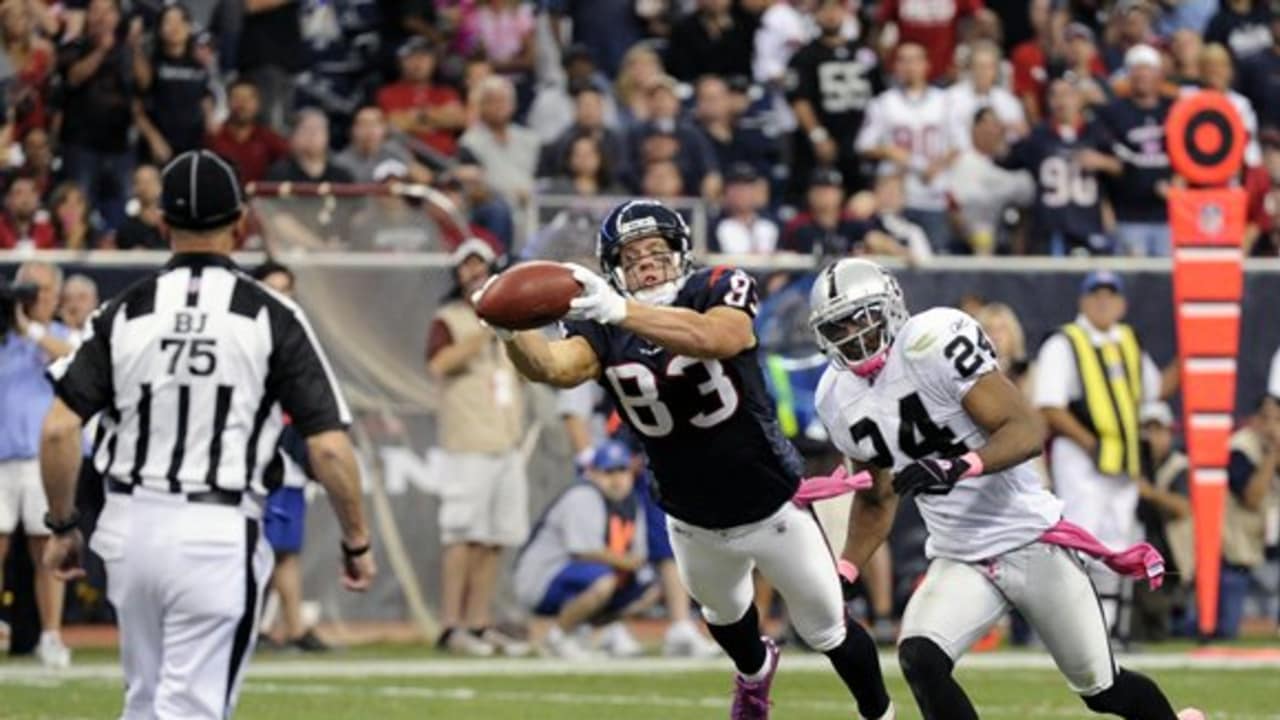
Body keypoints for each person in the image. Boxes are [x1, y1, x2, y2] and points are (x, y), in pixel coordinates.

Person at [488, 200, 894, 720]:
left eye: (657, 251)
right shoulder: (602, 325)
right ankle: (753, 675)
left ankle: (881, 714)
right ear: (613, 268)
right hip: (690, 515)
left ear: (682, 252)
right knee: (724, 617)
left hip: (769, 505)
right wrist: (506, 327)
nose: (646, 264)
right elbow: (552, 368)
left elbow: (719, 337)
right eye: (632, 257)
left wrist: (622, 310)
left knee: (827, 629)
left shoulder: (717, 287)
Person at [38, 149, 376, 718]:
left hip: (129, 530)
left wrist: (64, 524)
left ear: (164, 223)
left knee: (146, 702)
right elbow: (328, 446)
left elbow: (58, 431)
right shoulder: (273, 314)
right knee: (193, 708)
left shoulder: (122, 312)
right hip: (218, 530)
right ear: (241, 222)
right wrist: (356, 540)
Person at [808, 257, 1202, 720]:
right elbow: (876, 498)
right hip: (960, 554)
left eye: (861, 317)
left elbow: (1025, 430)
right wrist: (846, 573)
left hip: (1028, 539)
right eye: (837, 327)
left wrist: (959, 465)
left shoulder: (933, 341)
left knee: (1102, 689)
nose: (852, 334)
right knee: (921, 657)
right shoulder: (836, 397)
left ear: (891, 307)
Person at [1033, 270, 1164, 636]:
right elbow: (1050, 405)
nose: (1104, 302)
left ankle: (1107, 627)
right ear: (1083, 301)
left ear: (1122, 303)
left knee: (1119, 539)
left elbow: (1153, 393)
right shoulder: (1065, 342)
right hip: (1082, 457)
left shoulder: (1128, 340)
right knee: (1083, 536)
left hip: (1122, 461)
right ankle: (1072, 627)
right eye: (1096, 295)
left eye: (1111, 295)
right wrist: (1093, 445)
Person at [425, 239, 531, 658]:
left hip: (507, 442)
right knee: (462, 535)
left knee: (495, 537)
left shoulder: (511, 324)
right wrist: (482, 330)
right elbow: (438, 365)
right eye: (465, 267)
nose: (473, 274)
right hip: (467, 442)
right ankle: (451, 624)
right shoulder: (450, 319)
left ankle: (478, 621)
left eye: (480, 266)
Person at [513, 441, 660, 658]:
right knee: (602, 580)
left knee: (648, 587)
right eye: (609, 471)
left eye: (622, 470)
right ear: (592, 473)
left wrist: (633, 564)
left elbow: (638, 555)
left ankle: (594, 632)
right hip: (543, 578)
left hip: (585, 574)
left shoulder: (632, 503)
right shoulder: (583, 495)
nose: (617, 479)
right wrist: (629, 563)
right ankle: (558, 637)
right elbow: (584, 552)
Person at [246, 261, 328, 652]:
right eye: (272, 288)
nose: (282, 297)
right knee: (252, 550)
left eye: (287, 289)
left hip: (286, 460)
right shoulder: (243, 337)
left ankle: (290, 626)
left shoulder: (298, 338)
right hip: (251, 463)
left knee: (285, 549)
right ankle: (258, 626)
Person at [1, 262, 75, 668]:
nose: (36, 298)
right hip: (0, 457)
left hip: (39, 462)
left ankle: (51, 634)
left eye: (43, 290)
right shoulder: (4, 337)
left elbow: (70, 357)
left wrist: (31, 329)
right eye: (29, 290)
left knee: (46, 551)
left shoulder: (59, 335)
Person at [999, 78, 1121, 256]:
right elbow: (1006, 160)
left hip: (1088, 224)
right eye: (1054, 95)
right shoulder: (1038, 136)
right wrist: (1006, 136)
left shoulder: (1096, 133)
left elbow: (1121, 167)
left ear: (1079, 99)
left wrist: (1102, 162)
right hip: (1050, 227)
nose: (1061, 101)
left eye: (1066, 95)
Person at [856, 43, 958, 254]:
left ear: (926, 65)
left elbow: (959, 143)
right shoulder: (884, 102)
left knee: (935, 260)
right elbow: (863, 144)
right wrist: (890, 152)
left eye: (915, 60)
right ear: (896, 66)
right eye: (903, 60)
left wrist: (935, 166)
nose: (910, 66)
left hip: (933, 194)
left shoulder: (945, 100)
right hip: (895, 199)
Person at [785, 0, 883, 197]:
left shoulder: (863, 53)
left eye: (836, 9)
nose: (831, 15)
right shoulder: (804, 56)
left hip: (859, 141)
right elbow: (798, 100)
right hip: (823, 141)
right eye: (825, 10)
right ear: (815, 15)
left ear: (845, 13)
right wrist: (818, 136)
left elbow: (880, 98)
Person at [1097, 45, 1175, 257]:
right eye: (1136, 69)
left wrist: (1180, 183)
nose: (1142, 75)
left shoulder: (1176, 109)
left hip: (1169, 216)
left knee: (1167, 284)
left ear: (1159, 73)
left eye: (1147, 69)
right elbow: (1102, 163)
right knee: (1132, 283)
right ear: (1128, 75)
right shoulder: (1112, 112)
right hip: (1128, 215)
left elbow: (1194, 153)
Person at [1220, 396, 1280, 638]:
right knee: (1229, 629)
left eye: (1278, 419)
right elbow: (1252, 499)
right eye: (1266, 419)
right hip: (1239, 557)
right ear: (1254, 421)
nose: (1272, 426)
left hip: (1272, 556)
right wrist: (1272, 454)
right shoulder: (1239, 449)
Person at [948, 108, 1035, 254]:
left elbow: (1027, 204)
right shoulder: (963, 162)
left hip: (1004, 245)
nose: (992, 131)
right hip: (966, 245)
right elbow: (953, 208)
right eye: (986, 125)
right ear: (974, 129)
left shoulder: (1014, 164)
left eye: (996, 126)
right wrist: (972, 238)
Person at [458, 75, 540, 209]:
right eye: (492, 101)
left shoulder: (530, 139)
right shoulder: (469, 142)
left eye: (503, 100)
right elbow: (476, 188)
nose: (499, 106)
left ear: (513, 105)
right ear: (481, 106)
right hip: (494, 208)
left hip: (531, 206)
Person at [377, 37, 466, 158]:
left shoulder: (446, 92)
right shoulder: (388, 93)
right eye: (411, 57)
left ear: (434, 62)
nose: (417, 63)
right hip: (405, 160)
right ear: (400, 62)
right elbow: (394, 125)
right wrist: (435, 117)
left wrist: (414, 117)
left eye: (424, 57)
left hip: (446, 159)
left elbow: (458, 120)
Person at [205, 79, 290, 184]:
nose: (242, 104)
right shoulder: (213, 136)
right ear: (227, 102)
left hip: (258, 198)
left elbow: (291, 159)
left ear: (258, 104)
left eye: (249, 98)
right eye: (237, 98)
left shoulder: (268, 137)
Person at [712, 164, 779, 255]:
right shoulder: (715, 227)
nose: (742, 193)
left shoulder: (771, 225)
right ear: (725, 193)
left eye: (747, 188)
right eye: (736, 188)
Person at [115, 165, 167, 250]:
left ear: (161, 185)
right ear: (134, 188)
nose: (146, 187)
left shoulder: (173, 224)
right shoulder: (127, 229)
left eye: (150, 181)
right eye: (141, 182)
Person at [0, 175, 55, 250]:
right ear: (8, 200)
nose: (26, 198)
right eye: (19, 193)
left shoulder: (47, 230)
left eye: (31, 192)